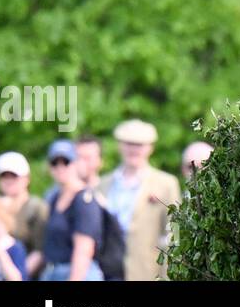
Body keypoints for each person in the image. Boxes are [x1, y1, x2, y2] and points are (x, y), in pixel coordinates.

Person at [98, 120, 181, 280]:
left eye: (140, 144)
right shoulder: (102, 184)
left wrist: (169, 272)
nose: (134, 149)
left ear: (150, 147)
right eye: (129, 143)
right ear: (120, 145)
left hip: (147, 271)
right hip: (107, 271)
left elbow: (174, 232)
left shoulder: (166, 184)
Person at [40, 140, 104, 281]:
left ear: (76, 164)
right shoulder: (53, 197)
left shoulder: (84, 199)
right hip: (52, 272)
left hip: (80, 274)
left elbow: (84, 249)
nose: (60, 167)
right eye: (55, 163)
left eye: (66, 162)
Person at [0, 150, 48, 278]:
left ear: (26, 179)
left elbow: (40, 250)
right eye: (4, 176)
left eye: (14, 176)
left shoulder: (36, 207)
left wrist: (19, 275)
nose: (9, 180)